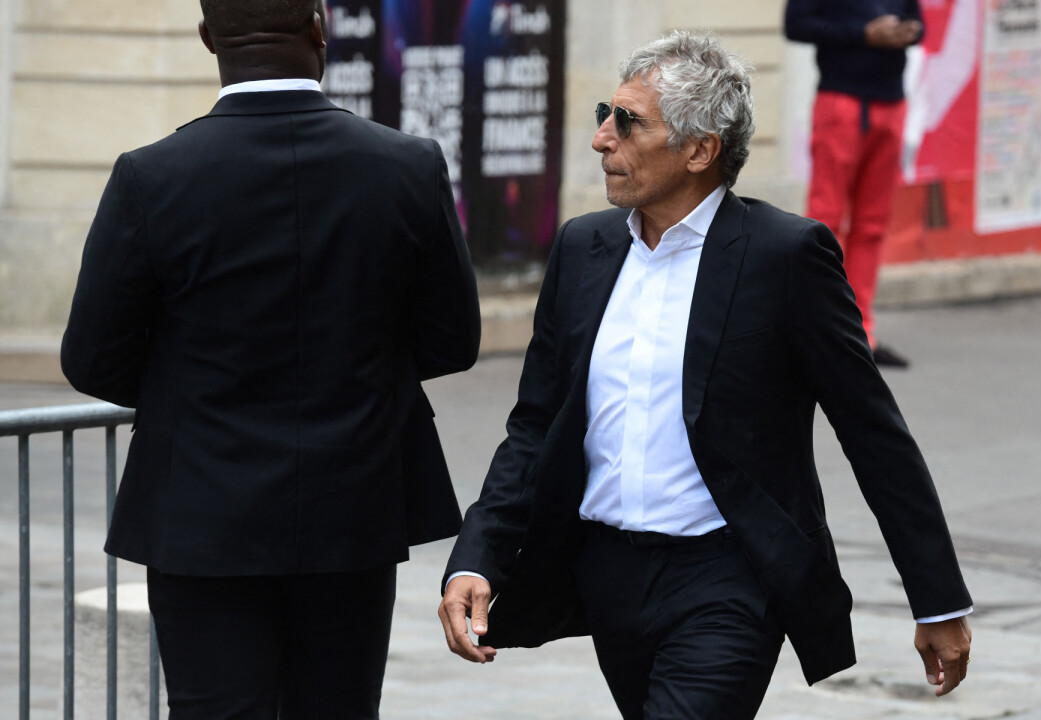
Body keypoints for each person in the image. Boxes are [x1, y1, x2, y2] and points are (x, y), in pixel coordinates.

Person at [437, 30, 971, 720]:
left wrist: (937, 599)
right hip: (606, 576)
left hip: (727, 581)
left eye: (627, 123)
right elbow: (536, 425)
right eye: (607, 114)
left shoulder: (785, 256)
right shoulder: (584, 248)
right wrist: (476, 559)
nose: (602, 139)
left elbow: (874, 434)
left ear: (699, 149)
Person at [60, 1, 480, 717]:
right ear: (320, 28)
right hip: (354, 508)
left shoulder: (151, 176)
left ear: (206, 39)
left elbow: (93, 359)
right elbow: (452, 340)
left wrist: (190, 390)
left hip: (200, 513)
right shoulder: (406, 166)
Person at [785, 0, 924, 368]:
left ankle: (860, 335)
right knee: (825, 222)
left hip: (891, 102)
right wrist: (863, 34)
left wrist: (908, 31)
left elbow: (918, 21)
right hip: (841, 100)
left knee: (873, 225)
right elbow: (796, 24)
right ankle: (812, 329)